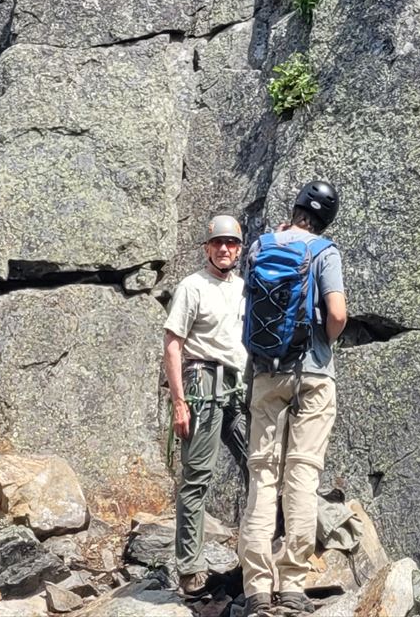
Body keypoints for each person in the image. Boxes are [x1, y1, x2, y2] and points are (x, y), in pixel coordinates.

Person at [237, 180, 348, 617]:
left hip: (266, 373)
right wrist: (326, 340)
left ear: (297, 207)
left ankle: (257, 589)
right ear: (326, 218)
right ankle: (293, 586)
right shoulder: (325, 251)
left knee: (262, 476)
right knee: (302, 475)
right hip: (313, 374)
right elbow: (336, 314)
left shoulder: (260, 246)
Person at [162, 213, 250, 600]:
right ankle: (190, 570)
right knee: (196, 478)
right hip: (202, 383)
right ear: (207, 248)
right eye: (219, 243)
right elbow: (172, 343)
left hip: (237, 384)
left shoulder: (244, 288)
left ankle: (259, 555)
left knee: (258, 465)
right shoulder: (192, 286)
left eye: (232, 243)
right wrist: (179, 401)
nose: (225, 249)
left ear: (240, 249)